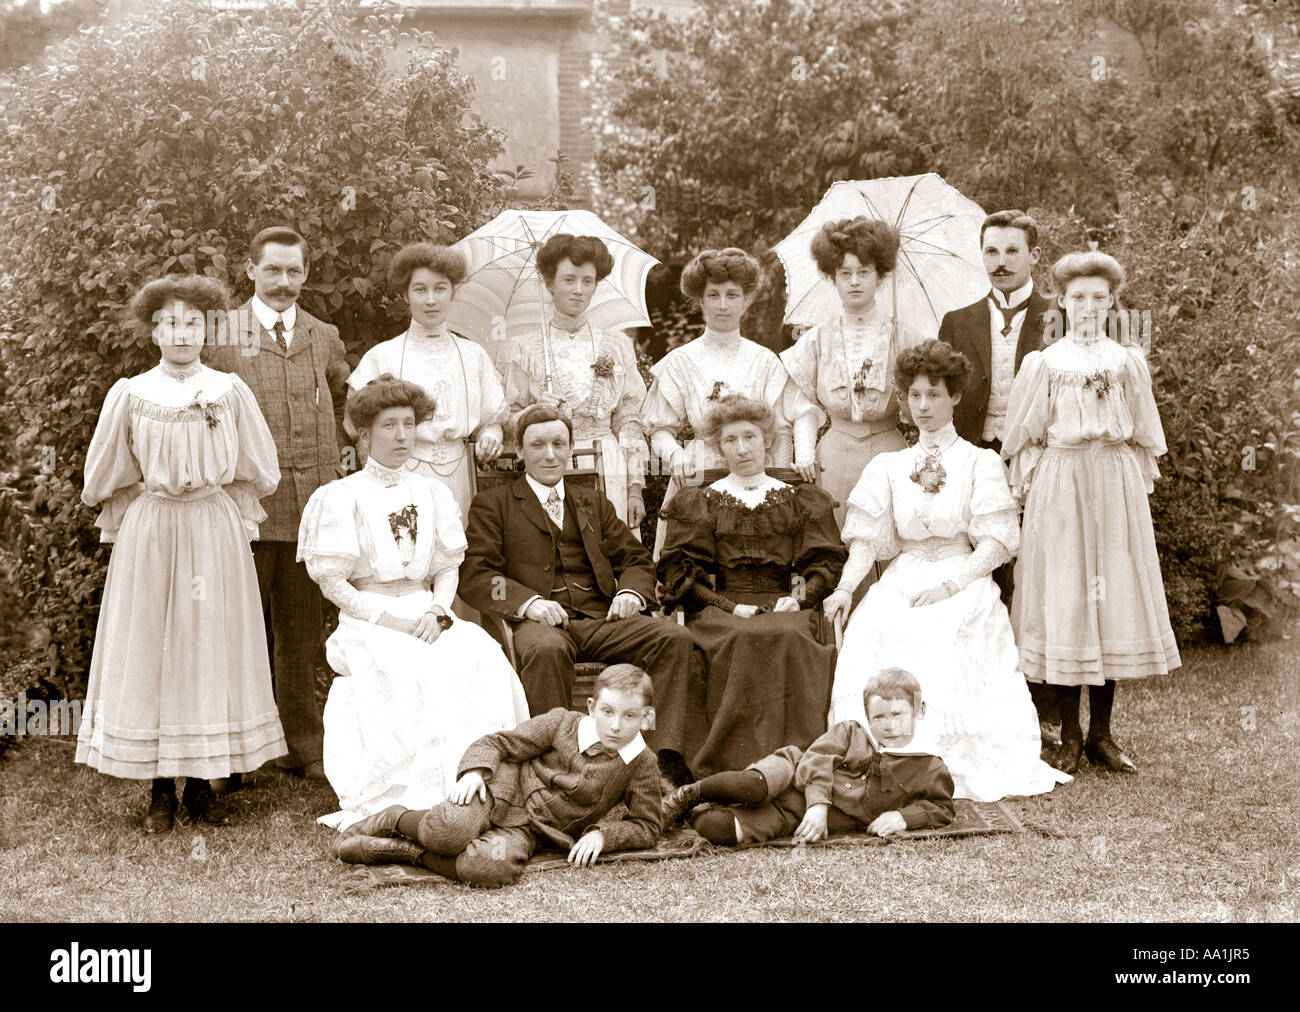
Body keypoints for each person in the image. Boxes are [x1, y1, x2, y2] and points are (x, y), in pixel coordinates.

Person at [78, 276, 286, 831]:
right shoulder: (131, 393)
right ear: (154, 330)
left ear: (207, 329)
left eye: (193, 322)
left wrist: (216, 497)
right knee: (153, 642)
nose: (182, 332)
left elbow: (259, 469)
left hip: (212, 527)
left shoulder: (228, 390)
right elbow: (104, 475)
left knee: (207, 640)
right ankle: (159, 791)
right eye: (171, 322)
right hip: (155, 528)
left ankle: (200, 786)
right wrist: (146, 499)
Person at [824, 340, 1069, 802]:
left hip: (963, 574)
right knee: (872, 624)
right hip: (904, 572)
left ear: (955, 396)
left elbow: (996, 543)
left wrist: (951, 585)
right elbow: (867, 539)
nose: (923, 406)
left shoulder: (980, 461)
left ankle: (944, 758)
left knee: (941, 628)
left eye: (934, 394)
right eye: (914, 395)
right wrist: (844, 588)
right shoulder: (889, 465)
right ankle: (875, 756)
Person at [297, 376, 531, 831]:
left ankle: (481, 780)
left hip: (426, 611)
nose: (403, 435)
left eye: (409, 424)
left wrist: (438, 611)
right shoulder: (340, 497)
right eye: (389, 426)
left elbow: (447, 565)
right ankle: (412, 789)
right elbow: (331, 580)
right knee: (410, 667)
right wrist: (388, 620)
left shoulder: (431, 492)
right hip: (370, 617)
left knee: (480, 654)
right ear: (363, 435)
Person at [1002, 252, 1181, 775]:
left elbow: (1146, 432)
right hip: (1062, 483)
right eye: (1077, 297)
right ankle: (1070, 735)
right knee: (1066, 597)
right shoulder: (1044, 364)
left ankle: (1102, 733)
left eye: (1098, 297)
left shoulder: (1127, 363)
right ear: (1061, 300)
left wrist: (1131, 483)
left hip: (1113, 484)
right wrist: (1032, 489)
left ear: (1111, 302)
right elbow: (1023, 436)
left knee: (1109, 599)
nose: (1087, 306)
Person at [457, 403, 702, 781]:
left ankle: (658, 762)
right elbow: (477, 573)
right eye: (538, 445)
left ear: (571, 449)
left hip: (603, 620)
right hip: (543, 625)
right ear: (519, 451)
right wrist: (530, 603)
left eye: (559, 443)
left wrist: (632, 595)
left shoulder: (592, 502)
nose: (550, 454)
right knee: (545, 650)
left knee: (674, 637)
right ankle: (559, 764)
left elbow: (635, 559)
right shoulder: (494, 505)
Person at [205, 225, 350, 782]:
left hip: (311, 507)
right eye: (273, 270)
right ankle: (230, 754)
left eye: (294, 271)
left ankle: (301, 743)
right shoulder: (221, 335)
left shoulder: (324, 334)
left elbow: (351, 399)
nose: (284, 281)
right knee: (235, 628)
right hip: (243, 506)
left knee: (302, 632)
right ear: (250, 269)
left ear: (306, 274)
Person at [329, 665, 662, 886]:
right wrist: (474, 772)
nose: (616, 725)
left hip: (533, 829)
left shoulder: (641, 762)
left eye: (630, 715)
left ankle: (400, 852)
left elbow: (647, 824)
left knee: (489, 867)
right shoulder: (563, 722)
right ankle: (395, 819)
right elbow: (499, 742)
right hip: (502, 788)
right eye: (607, 712)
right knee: (448, 830)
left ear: (645, 716)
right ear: (591, 707)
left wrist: (602, 835)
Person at [657, 395, 845, 776]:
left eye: (750, 437)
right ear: (718, 447)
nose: (742, 449)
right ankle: (729, 765)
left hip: (785, 606)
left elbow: (823, 563)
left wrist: (799, 598)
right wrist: (728, 607)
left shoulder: (797, 498)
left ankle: (797, 761)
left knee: (791, 635)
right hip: (719, 609)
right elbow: (681, 574)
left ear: (768, 440)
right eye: (730, 440)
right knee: (736, 637)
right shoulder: (702, 500)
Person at [936, 210, 1058, 739]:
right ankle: (980, 696)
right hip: (975, 458)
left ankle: (1043, 705)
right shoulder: (957, 321)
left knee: (1041, 574)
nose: (1000, 261)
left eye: (1012, 251)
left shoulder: (1061, 317)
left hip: (1045, 460)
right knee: (982, 572)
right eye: (991, 251)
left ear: (1034, 256)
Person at [643, 247, 819, 556]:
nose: (723, 305)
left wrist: (800, 459)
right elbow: (659, 428)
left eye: (732, 295)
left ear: (747, 300)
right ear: (700, 301)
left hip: (755, 474)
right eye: (713, 295)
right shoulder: (680, 361)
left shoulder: (764, 360)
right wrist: (674, 455)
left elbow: (798, 413)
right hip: (699, 476)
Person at [663, 668, 954, 845]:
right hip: (790, 774)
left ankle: (697, 811)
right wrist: (818, 804)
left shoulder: (929, 764)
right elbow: (816, 758)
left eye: (897, 714)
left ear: (920, 710)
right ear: (868, 717)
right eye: (879, 717)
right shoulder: (852, 732)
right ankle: (686, 795)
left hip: (793, 815)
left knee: (715, 829)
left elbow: (942, 807)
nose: (889, 725)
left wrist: (903, 816)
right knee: (748, 787)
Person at [347, 242, 507, 518]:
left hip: (460, 477)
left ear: (452, 293)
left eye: (440, 288)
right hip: (400, 474)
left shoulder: (474, 355)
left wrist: (491, 436)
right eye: (420, 289)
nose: (430, 300)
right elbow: (356, 426)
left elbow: (491, 420)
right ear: (406, 296)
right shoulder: (382, 356)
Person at [501, 233, 649, 531]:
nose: (579, 290)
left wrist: (635, 488)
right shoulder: (525, 348)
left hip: (608, 465)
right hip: (549, 463)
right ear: (550, 284)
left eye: (588, 281)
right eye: (569, 280)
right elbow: (507, 420)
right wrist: (534, 413)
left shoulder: (616, 344)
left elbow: (629, 418)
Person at [779, 217, 919, 526]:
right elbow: (800, 405)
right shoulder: (816, 338)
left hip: (890, 452)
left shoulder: (907, 337)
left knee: (889, 538)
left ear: (880, 277)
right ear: (833, 278)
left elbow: (923, 406)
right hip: (832, 456)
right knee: (833, 539)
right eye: (845, 274)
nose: (854, 282)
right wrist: (804, 454)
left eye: (864, 272)